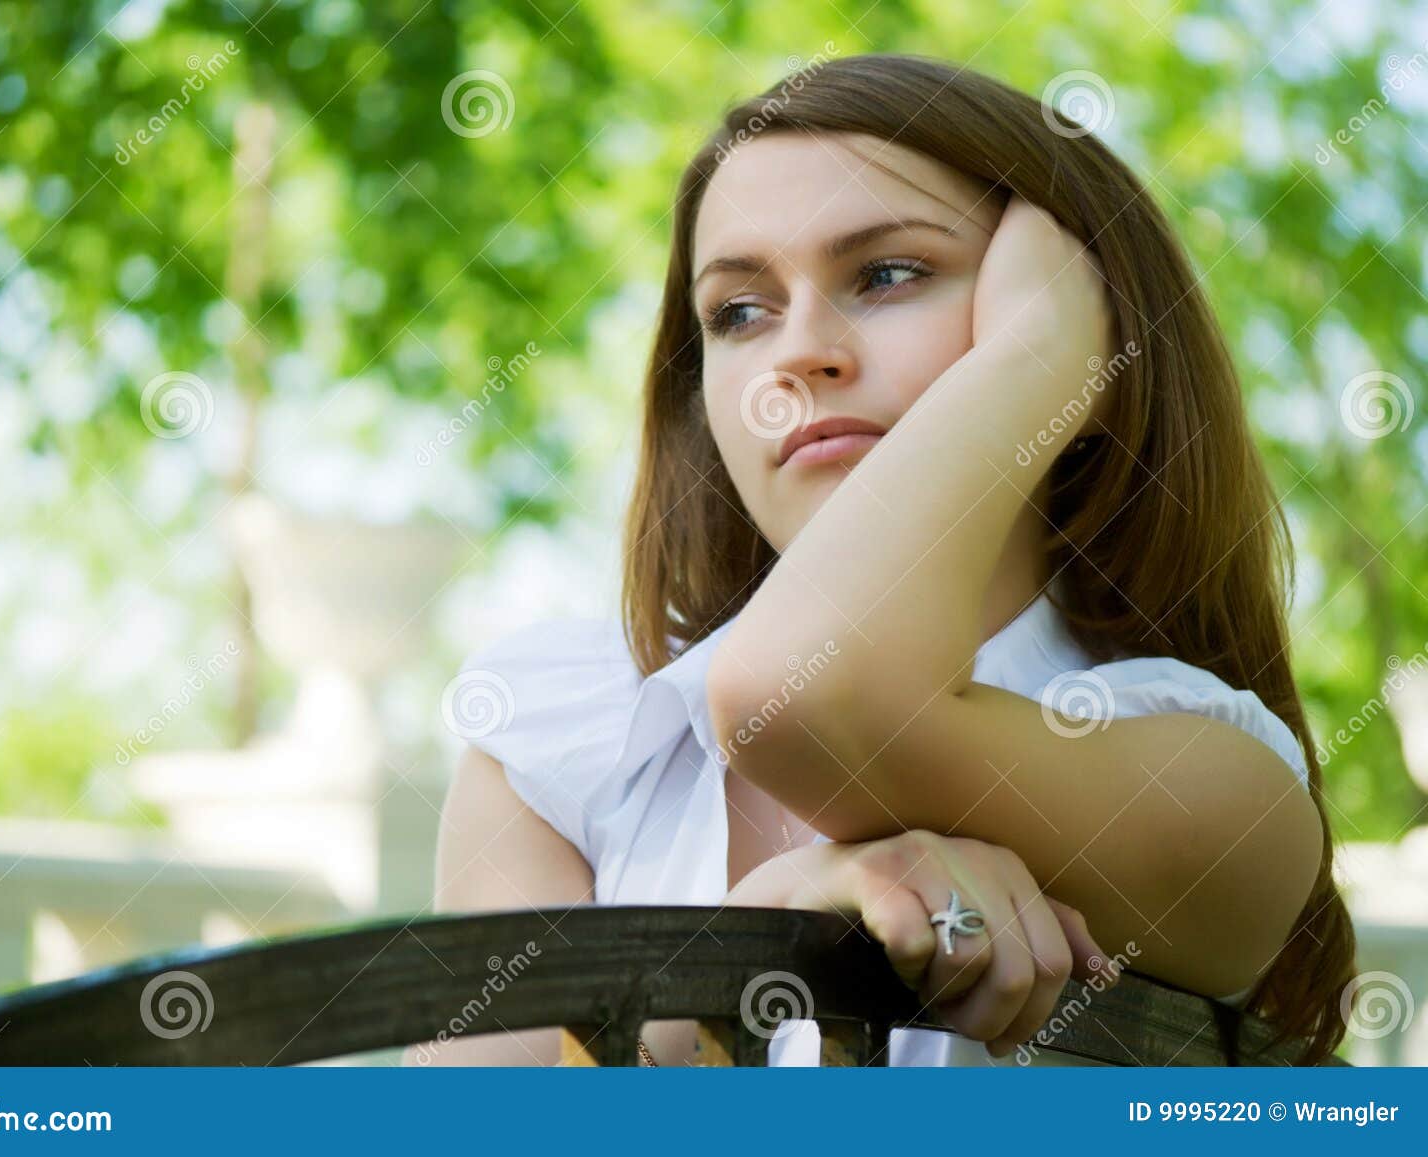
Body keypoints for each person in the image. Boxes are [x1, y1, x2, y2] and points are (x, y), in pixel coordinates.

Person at [414, 53, 1356, 1068]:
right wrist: (716, 971)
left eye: (888, 274)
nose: (798, 351)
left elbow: (814, 700)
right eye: (738, 311)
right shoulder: (561, 736)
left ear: (1089, 359)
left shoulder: (1217, 775)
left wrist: (1042, 350)